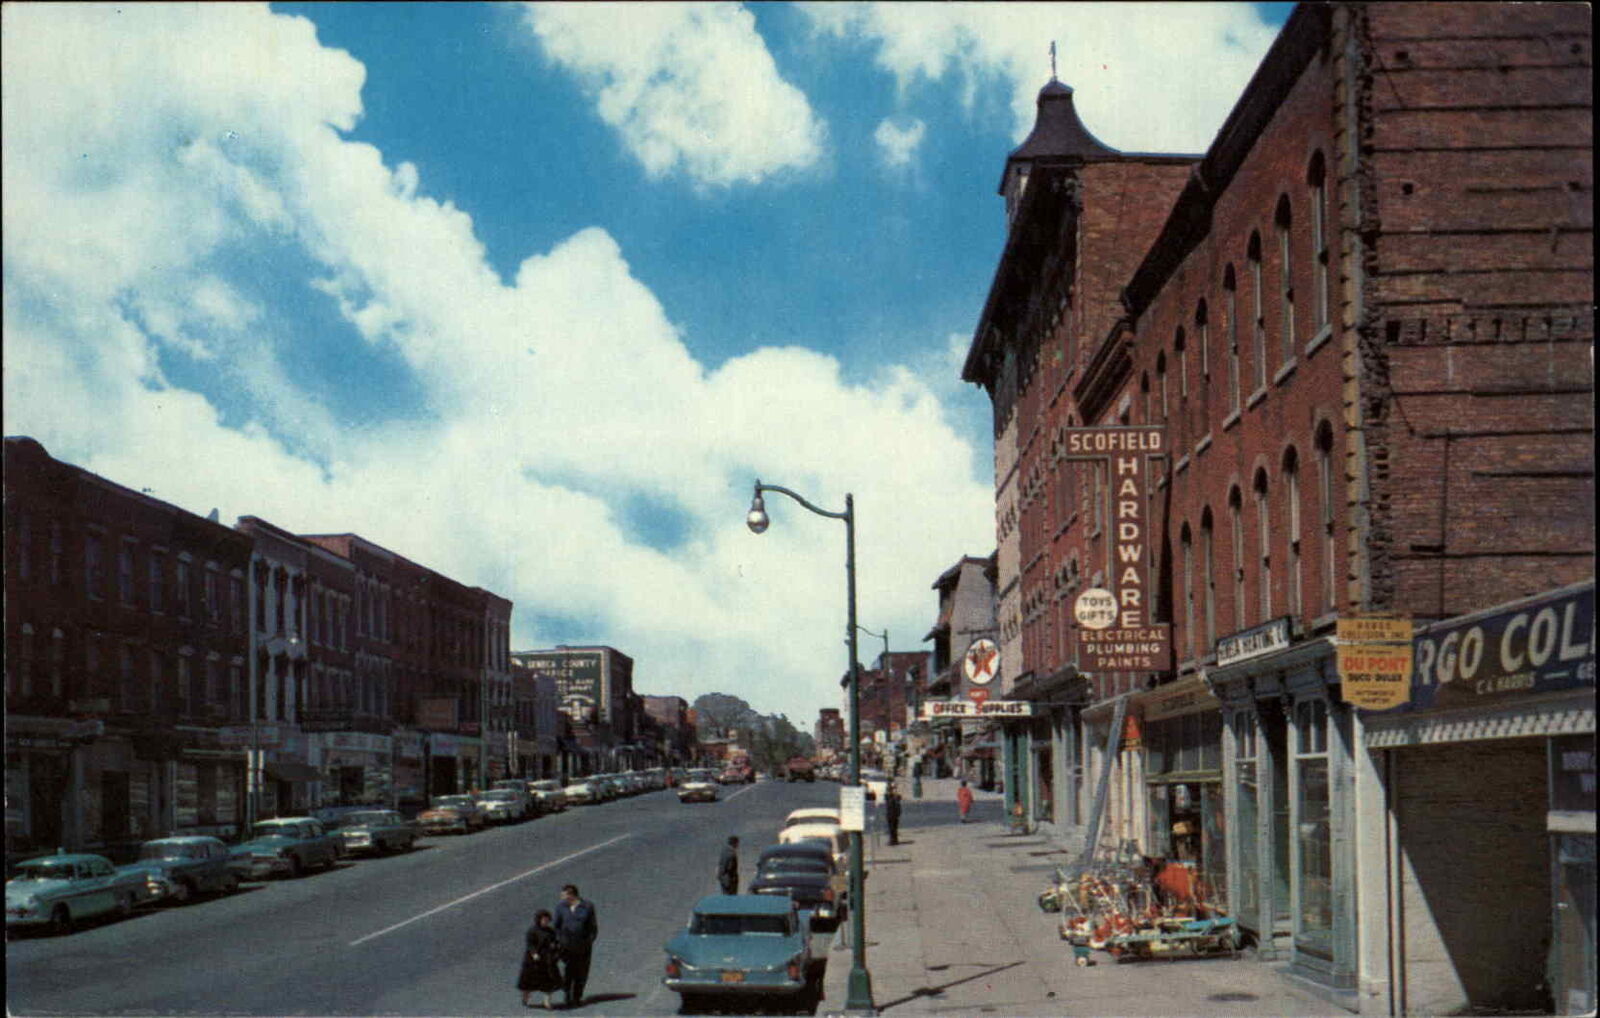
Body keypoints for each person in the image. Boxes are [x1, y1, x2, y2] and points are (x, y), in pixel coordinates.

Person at [551, 883, 598, 1008]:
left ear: (571, 895)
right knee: (568, 971)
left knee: (581, 972)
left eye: (564, 895)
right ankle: (567, 995)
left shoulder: (587, 906)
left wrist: (589, 941)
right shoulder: (561, 907)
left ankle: (577, 997)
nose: (561, 898)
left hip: (583, 946)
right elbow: (556, 926)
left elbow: (592, 927)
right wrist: (559, 941)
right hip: (566, 946)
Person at [517, 909, 562, 1009]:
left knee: (549, 982)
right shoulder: (532, 931)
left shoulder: (551, 931)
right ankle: (525, 998)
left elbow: (555, 942)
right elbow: (530, 944)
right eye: (544, 920)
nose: (545, 922)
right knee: (528, 982)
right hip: (533, 961)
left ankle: (547, 1002)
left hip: (547, 959)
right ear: (539, 920)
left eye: (547, 920)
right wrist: (534, 954)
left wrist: (555, 949)